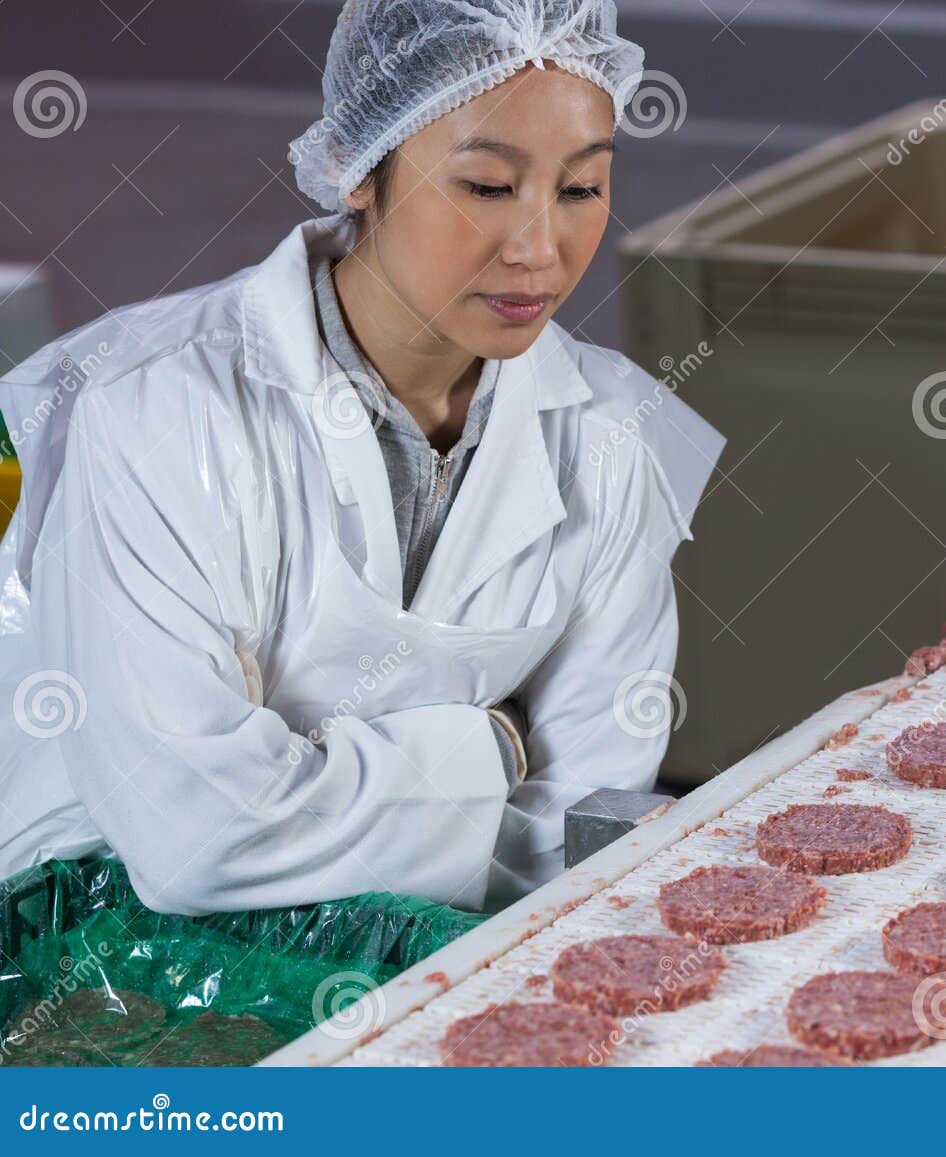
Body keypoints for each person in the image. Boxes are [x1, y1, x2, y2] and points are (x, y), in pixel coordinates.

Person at [0, 0, 724, 915]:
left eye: (580, 189)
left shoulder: (613, 433)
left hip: (451, 982)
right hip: (97, 965)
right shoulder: (153, 411)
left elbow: (578, 831)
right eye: (487, 186)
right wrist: (497, 749)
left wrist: (305, 786)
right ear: (355, 164)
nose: (540, 248)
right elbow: (196, 844)